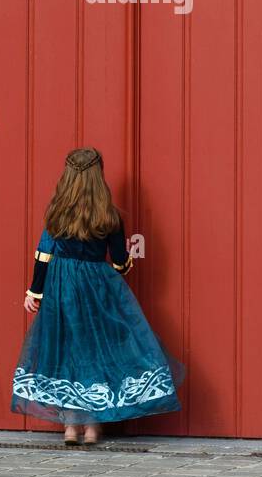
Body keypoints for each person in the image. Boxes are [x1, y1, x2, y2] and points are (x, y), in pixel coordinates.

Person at [11, 147, 185, 447]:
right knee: (95, 350)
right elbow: (119, 262)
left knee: (65, 349)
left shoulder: (57, 212)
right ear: (98, 176)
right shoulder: (109, 215)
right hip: (97, 286)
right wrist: (125, 262)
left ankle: (69, 428)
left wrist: (35, 291)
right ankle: (91, 428)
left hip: (61, 287)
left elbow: (43, 255)